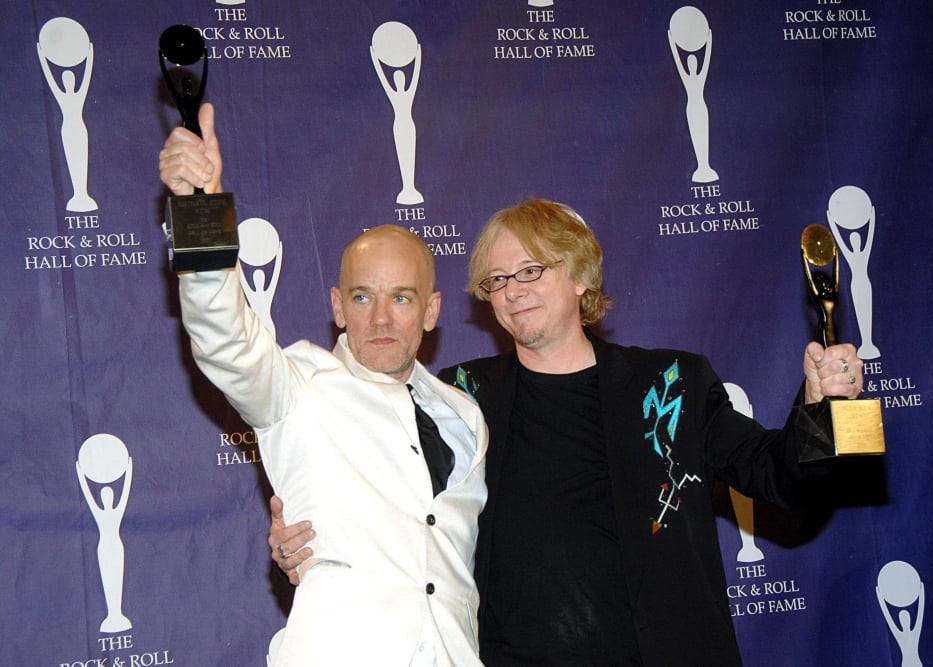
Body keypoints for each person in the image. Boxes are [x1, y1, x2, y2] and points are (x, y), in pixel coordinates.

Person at [271, 199, 866, 665]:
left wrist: (821, 410)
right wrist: (308, 538)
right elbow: (391, 506)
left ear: (580, 276)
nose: (514, 290)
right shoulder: (457, 400)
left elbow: (779, 476)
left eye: (531, 269)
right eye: (497, 280)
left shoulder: (672, 383)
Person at [159, 103, 488, 667]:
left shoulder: (465, 416)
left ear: (432, 311)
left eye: (402, 298)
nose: (381, 318)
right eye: (362, 296)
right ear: (338, 306)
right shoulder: (297, 386)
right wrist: (200, 206)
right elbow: (226, 341)